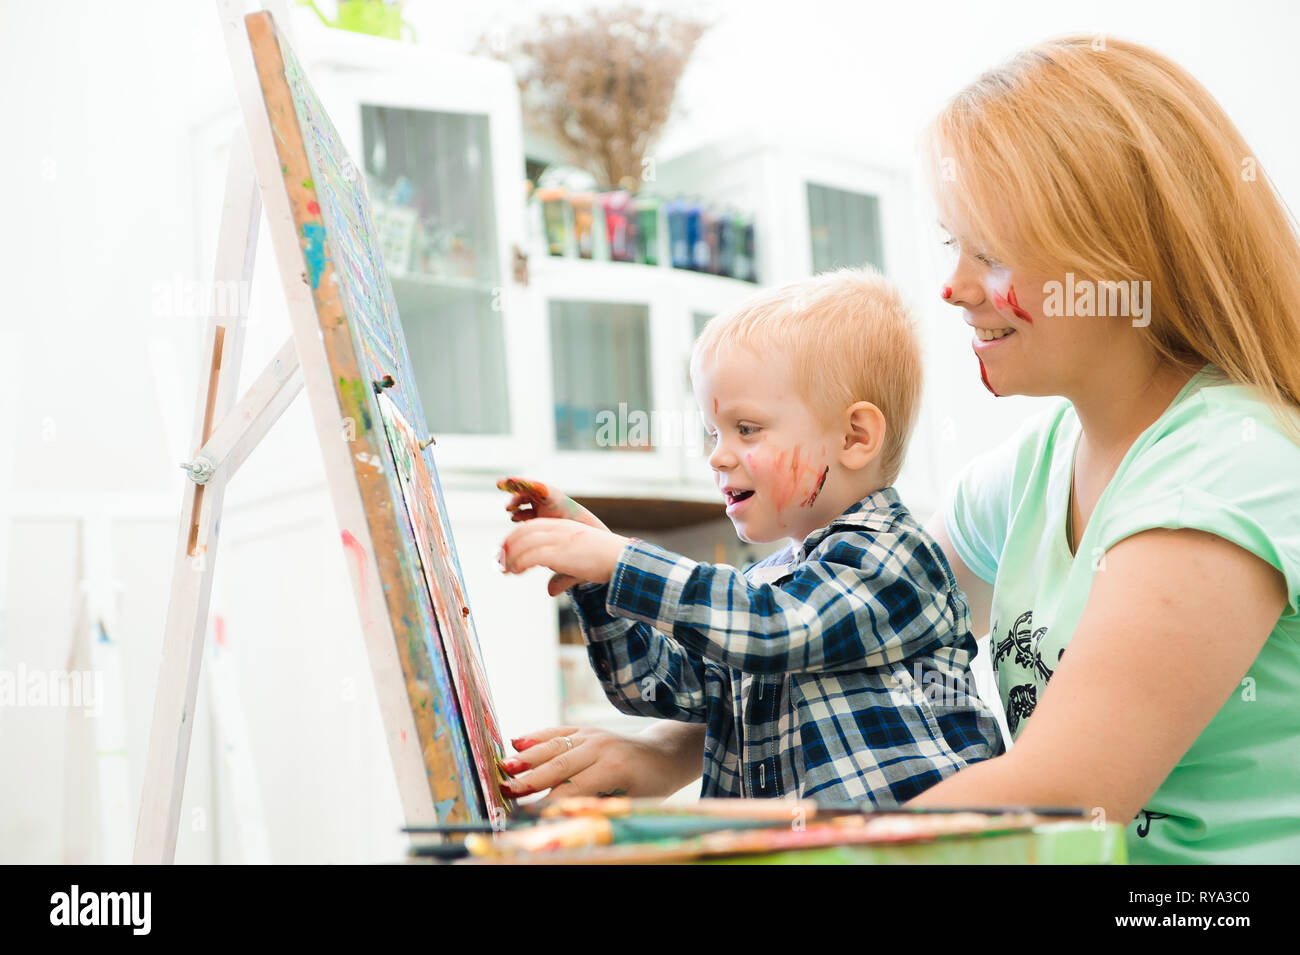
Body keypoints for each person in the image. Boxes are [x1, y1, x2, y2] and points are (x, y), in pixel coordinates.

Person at [498, 35, 1300, 864]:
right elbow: (837, 638)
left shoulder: (1225, 467)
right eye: (954, 244)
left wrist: (718, 843)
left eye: (988, 252)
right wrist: (663, 756)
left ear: (1115, 256)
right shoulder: (1036, 468)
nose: (951, 286)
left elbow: (1062, 790)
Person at [496, 268, 1004, 805]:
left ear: (854, 437)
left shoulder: (895, 561)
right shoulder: (766, 585)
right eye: (714, 433)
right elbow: (652, 685)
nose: (717, 455)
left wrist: (622, 561)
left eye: (747, 429)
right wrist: (595, 580)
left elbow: (772, 629)